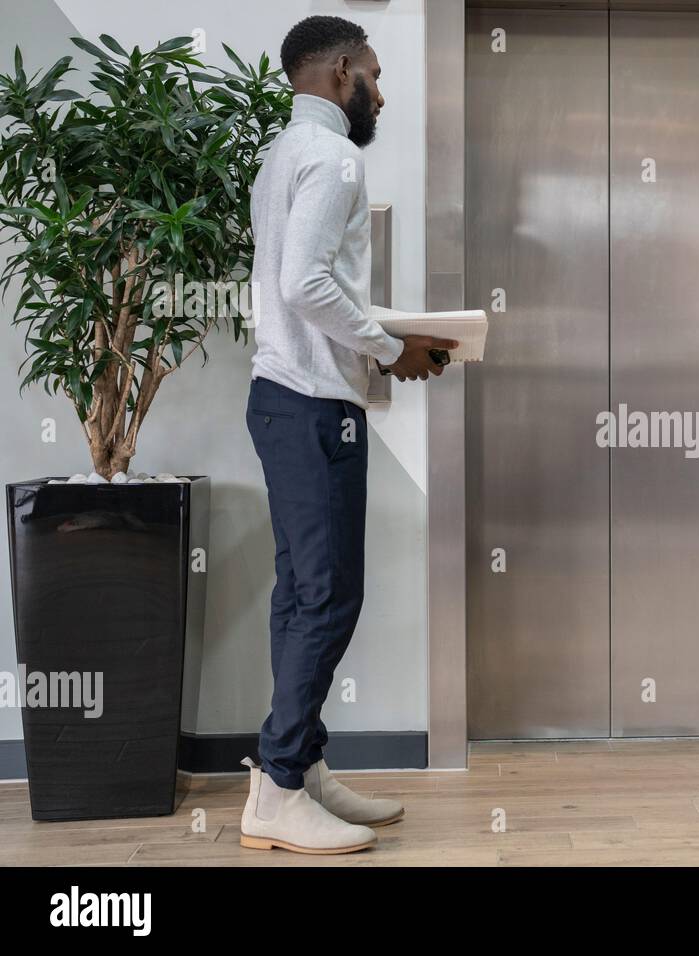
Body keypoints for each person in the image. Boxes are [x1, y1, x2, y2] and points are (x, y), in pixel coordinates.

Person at [239, 15, 455, 854]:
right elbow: (303, 283)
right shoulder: (332, 157)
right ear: (338, 74)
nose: (381, 89)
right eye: (372, 70)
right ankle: (281, 787)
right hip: (313, 406)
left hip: (282, 398)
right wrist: (391, 346)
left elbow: (304, 282)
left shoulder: (282, 152)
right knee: (328, 597)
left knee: (301, 595)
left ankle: (298, 767)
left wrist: (381, 339)